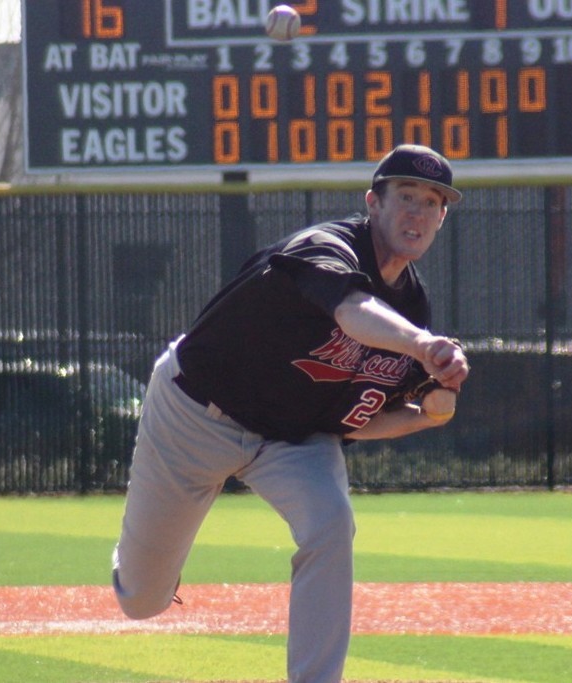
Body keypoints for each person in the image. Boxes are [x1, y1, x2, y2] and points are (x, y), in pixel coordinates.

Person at [111, 144, 470, 683]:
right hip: (196, 412)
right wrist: (423, 345)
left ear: (442, 218)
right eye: (406, 196)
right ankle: (141, 570)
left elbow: (352, 421)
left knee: (331, 523)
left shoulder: (413, 307)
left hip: (291, 439)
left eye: (433, 202)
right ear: (373, 202)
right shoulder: (326, 247)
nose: (418, 211)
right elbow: (351, 310)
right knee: (141, 600)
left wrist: (424, 415)